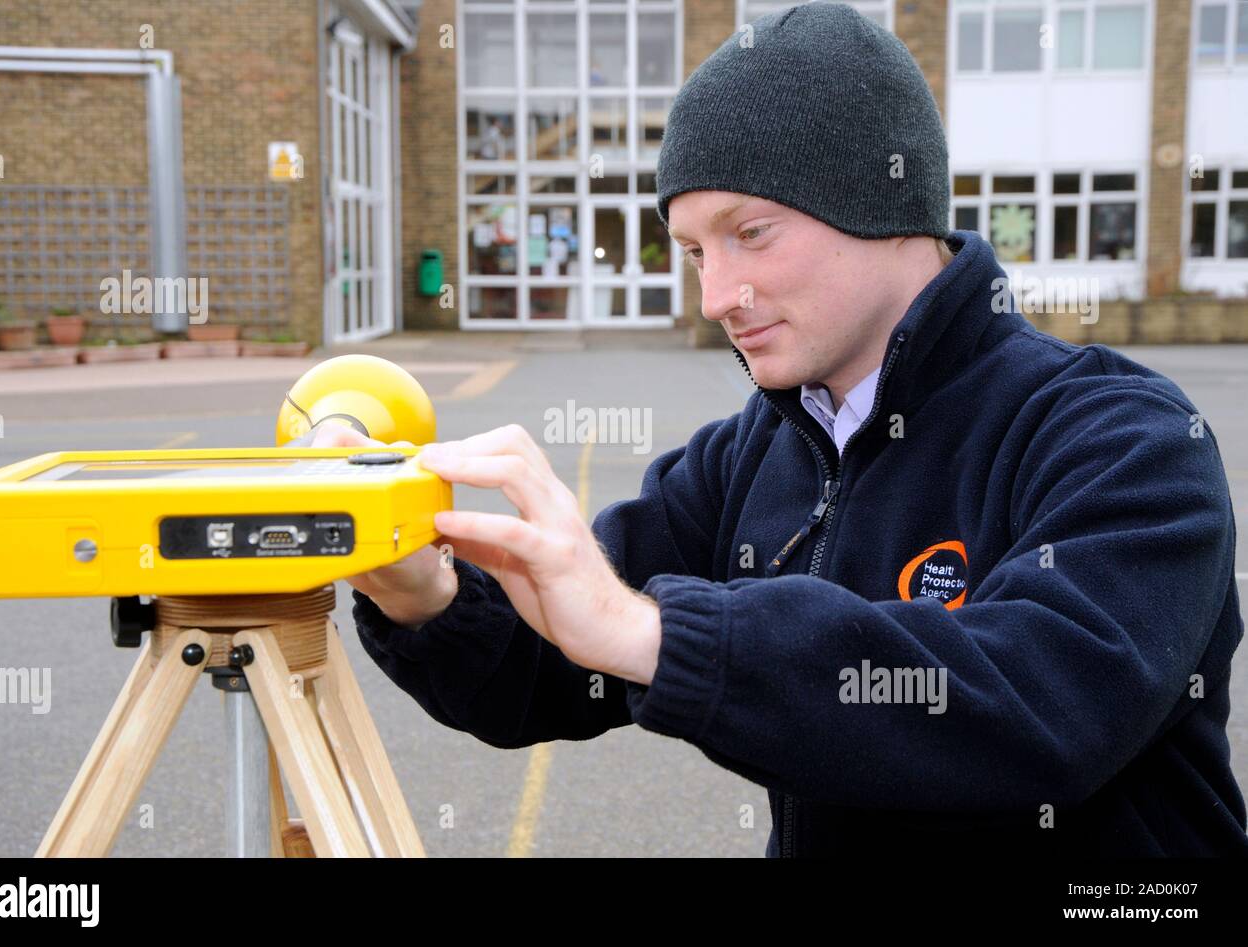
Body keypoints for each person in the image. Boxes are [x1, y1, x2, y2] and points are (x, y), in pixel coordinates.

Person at [317, 3, 1248, 856]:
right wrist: (425, 592)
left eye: (750, 233)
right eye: (694, 251)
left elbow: (1039, 710)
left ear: (883, 205)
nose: (717, 295)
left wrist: (653, 632)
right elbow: (557, 660)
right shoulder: (749, 454)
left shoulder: (1127, 438)